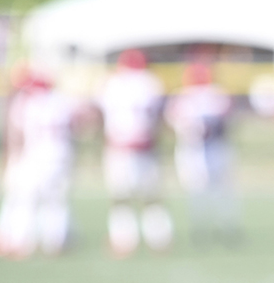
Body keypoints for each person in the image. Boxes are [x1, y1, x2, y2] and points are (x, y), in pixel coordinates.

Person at [0, 63, 78, 258]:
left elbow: (18, 134)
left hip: (36, 158)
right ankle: (55, 242)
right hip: (61, 158)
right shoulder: (61, 101)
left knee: (25, 201)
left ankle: (20, 243)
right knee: (56, 202)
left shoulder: (27, 103)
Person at [97, 49, 173, 257]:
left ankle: (124, 240)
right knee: (152, 198)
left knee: (121, 199)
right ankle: (159, 238)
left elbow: (101, 114)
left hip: (119, 148)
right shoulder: (151, 82)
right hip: (145, 147)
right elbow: (159, 117)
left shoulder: (111, 83)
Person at [166, 62, 240, 246]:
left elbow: (225, 119)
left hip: (212, 147)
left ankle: (222, 227)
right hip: (195, 149)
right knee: (201, 190)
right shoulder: (187, 97)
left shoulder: (213, 95)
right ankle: (209, 228)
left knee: (217, 190)